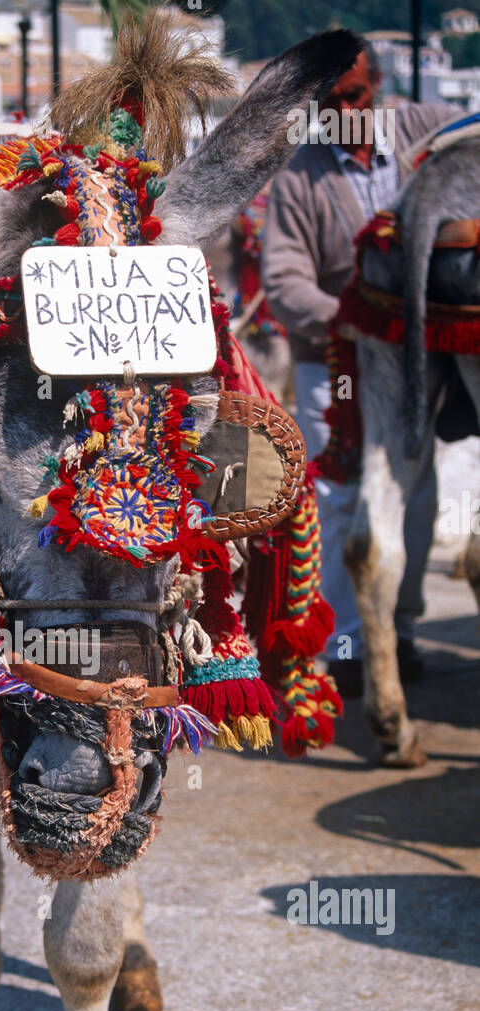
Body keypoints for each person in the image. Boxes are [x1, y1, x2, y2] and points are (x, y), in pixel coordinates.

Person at [261, 36, 451, 696]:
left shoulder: (423, 130)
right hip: (337, 362)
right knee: (339, 498)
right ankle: (344, 640)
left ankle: (393, 630)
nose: (345, 111)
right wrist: (355, 323)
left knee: (418, 499)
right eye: (329, 102)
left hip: (420, 361)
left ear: (378, 87)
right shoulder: (298, 179)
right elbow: (283, 281)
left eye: (355, 96)